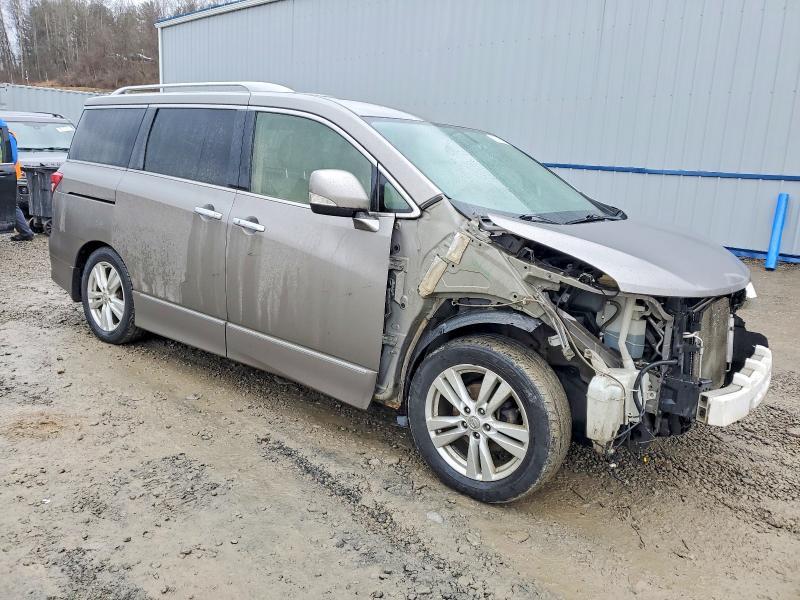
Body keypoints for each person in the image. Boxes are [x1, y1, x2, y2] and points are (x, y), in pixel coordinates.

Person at [2, 121, 34, 241]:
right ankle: (26, 232)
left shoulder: (7, 136)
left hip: (7, 175)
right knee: (11, 205)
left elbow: (13, 159)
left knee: (11, 205)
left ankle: (26, 233)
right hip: (7, 174)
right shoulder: (7, 134)